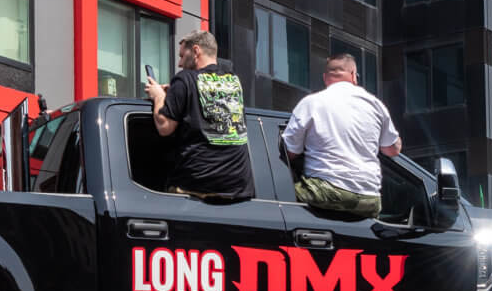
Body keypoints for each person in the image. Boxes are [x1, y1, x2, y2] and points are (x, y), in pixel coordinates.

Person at [281, 53, 401, 219]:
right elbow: (393, 150)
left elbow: (289, 152)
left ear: (325, 78)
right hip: (369, 200)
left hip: (325, 193)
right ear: (353, 75)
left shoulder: (311, 103)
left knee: (276, 193)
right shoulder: (376, 105)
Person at [143, 29, 254, 201]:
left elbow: (164, 127)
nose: (179, 63)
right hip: (238, 187)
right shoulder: (233, 82)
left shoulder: (184, 79)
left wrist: (158, 96)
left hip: (197, 185)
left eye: (181, 56)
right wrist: (175, 95)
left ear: (195, 51)